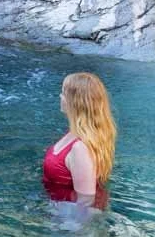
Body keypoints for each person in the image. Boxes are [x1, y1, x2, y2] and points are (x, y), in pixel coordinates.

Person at [42, 72, 116, 210]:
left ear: (75, 102)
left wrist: (71, 227)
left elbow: (86, 201)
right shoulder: (74, 134)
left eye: (63, 93)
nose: (60, 96)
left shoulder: (80, 148)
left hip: (71, 218)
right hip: (59, 208)